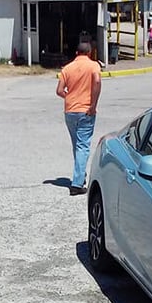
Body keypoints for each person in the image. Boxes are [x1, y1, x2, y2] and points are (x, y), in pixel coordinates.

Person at [56, 41, 102, 195]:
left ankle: (80, 176)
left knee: (77, 145)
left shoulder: (67, 68)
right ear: (89, 53)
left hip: (70, 110)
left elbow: (59, 90)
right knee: (83, 146)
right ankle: (76, 184)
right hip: (86, 110)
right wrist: (93, 105)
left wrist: (69, 97)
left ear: (76, 53)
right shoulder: (93, 66)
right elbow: (97, 81)